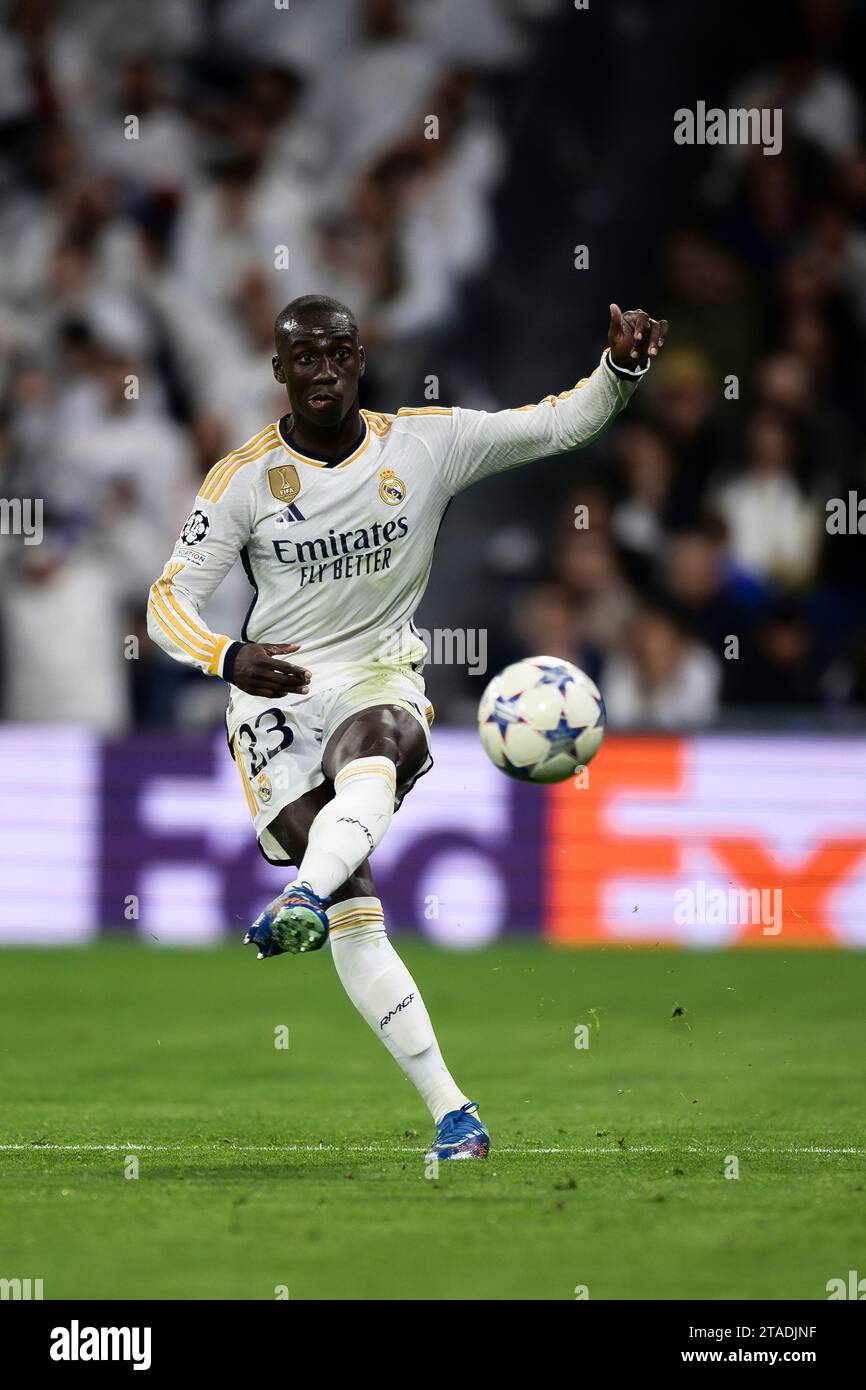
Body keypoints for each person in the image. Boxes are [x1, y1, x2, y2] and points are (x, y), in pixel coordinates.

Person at [146, 293, 668, 1161]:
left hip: (378, 673)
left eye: (337, 354)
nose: (322, 372)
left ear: (360, 358)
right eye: (302, 358)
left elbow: (554, 426)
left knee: (379, 743)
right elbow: (168, 603)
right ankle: (453, 1113)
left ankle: (303, 897)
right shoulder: (243, 480)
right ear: (278, 371)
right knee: (362, 919)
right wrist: (226, 657)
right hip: (273, 700)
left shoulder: (424, 444)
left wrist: (620, 371)